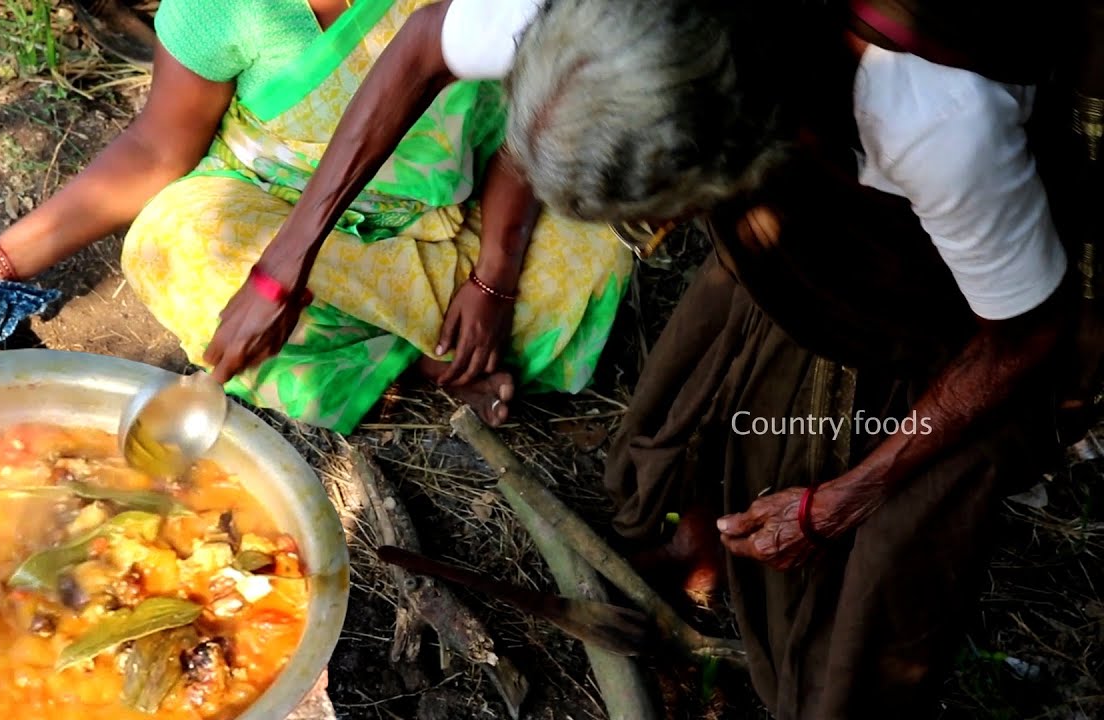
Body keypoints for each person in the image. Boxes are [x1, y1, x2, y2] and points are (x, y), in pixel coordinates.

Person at [280, 0, 1076, 717]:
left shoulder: (938, 122)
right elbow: (426, 39)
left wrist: (846, 496)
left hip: (936, 313)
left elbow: (1026, 337)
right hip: (792, 208)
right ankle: (705, 548)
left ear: (732, 164)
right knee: (709, 403)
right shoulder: (602, 24)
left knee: (874, 595)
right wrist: (285, 265)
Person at [0, 0, 634, 433]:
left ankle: (411, 349)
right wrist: (1, 260)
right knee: (178, 243)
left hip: (457, 210)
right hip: (271, 211)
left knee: (599, 253)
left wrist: (493, 282)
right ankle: (428, 361)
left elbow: (525, 121)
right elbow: (156, 148)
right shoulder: (219, 7)